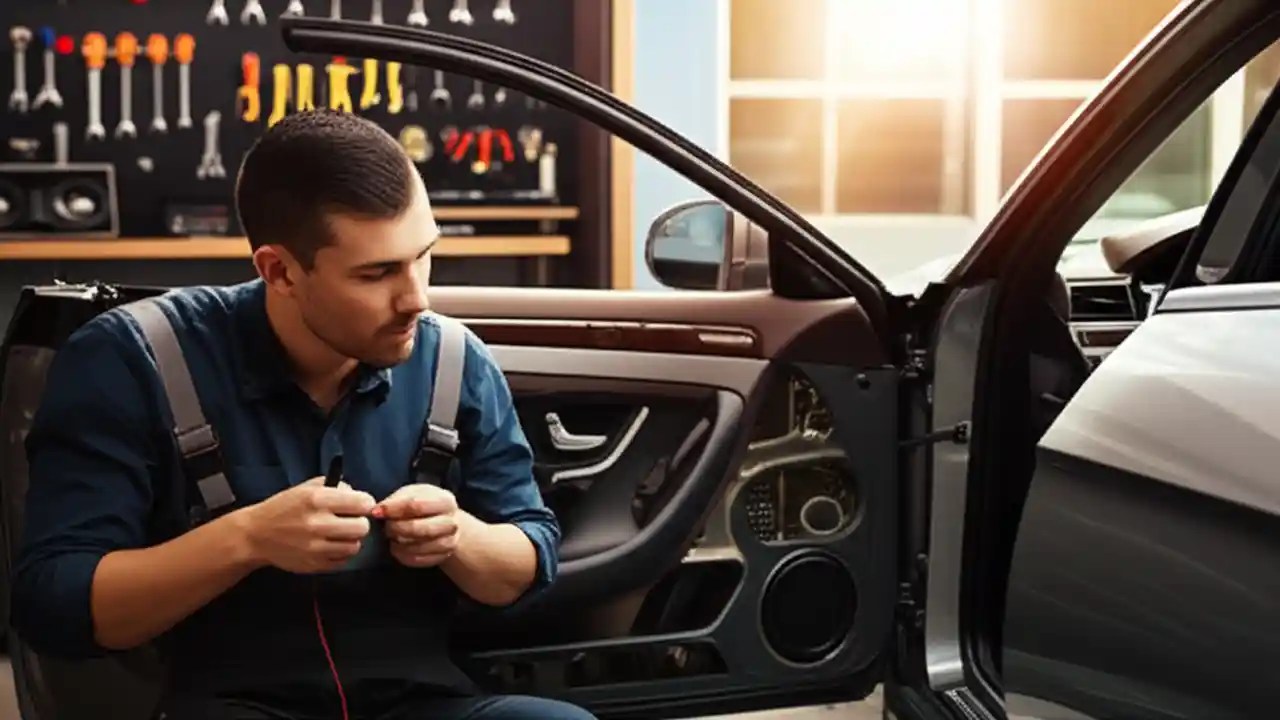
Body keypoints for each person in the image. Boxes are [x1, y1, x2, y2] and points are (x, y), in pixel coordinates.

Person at [11, 110, 595, 720]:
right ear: (280, 271)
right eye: (377, 273)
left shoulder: (455, 361)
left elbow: (528, 559)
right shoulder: (133, 361)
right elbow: (55, 606)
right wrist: (248, 538)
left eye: (424, 256)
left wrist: (458, 538)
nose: (417, 298)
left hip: (423, 703)